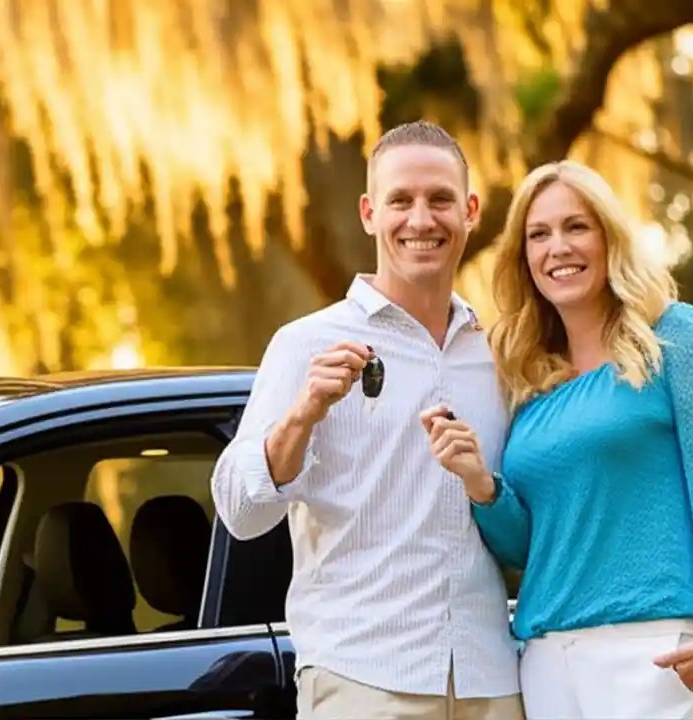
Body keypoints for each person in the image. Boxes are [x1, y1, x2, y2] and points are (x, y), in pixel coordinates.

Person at [422, 159, 693, 719]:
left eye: (576, 226)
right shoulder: (530, 380)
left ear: (609, 238)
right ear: (524, 258)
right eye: (538, 235)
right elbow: (530, 549)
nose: (558, 248)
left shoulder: (674, 337)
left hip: (654, 648)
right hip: (548, 657)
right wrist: (481, 485)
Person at [210, 120, 523, 720]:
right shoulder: (306, 344)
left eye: (440, 200)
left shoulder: (500, 354)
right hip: (363, 680)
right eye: (400, 200)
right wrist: (302, 415)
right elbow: (240, 514)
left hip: (490, 679)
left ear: (471, 211)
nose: (421, 220)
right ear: (369, 213)